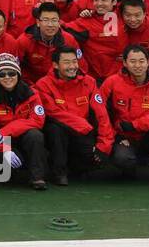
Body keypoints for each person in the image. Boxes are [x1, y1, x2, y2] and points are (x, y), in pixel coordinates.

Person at [102, 45, 149, 187]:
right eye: (133, 61)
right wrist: (116, 136)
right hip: (122, 136)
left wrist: (135, 125)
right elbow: (100, 113)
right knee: (123, 159)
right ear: (125, 63)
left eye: (141, 61)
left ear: (148, 62)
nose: (138, 65)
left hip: (148, 136)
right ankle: (129, 169)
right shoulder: (111, 83)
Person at [34, 45, 111, 185]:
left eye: (74, 61)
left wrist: (103, 145)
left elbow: (102, 114)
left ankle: (76, 167)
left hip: (83, 133)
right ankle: (59, 173)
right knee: (55, 129)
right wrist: (82, 126)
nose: (72, 66)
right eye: (67, 62)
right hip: (63, 131)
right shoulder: (43, 84)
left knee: (95, 159)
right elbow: (53, 112)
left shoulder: (89, 82)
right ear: (55, 65)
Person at [0, 53, 48, 190]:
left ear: (18, 74)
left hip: (22, 138)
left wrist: (6, 130)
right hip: (2, 143)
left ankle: (37, 178)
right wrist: (5, 150)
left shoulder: (32, 94)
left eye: (11, 73)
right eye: (2, 74)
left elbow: (38, 120)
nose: (7, 77)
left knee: (36, 135)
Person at [65, 0, 125, 81]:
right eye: (96, 0)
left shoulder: (125, 16)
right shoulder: (86, 21)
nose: (99, 3)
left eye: (104, 0)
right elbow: (61, 28)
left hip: (125, 76)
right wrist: (47, 11)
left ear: (114, 2)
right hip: (98, 79)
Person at [15, 2, 85, 85]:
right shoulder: (24, 41)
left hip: (61, 85)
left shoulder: (68, 40)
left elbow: (81, 66)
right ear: (38, 22)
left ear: (59, 22)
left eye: (54, 20)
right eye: (46, 20)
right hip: (33, 86)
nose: (50, 25)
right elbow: (15, 68)